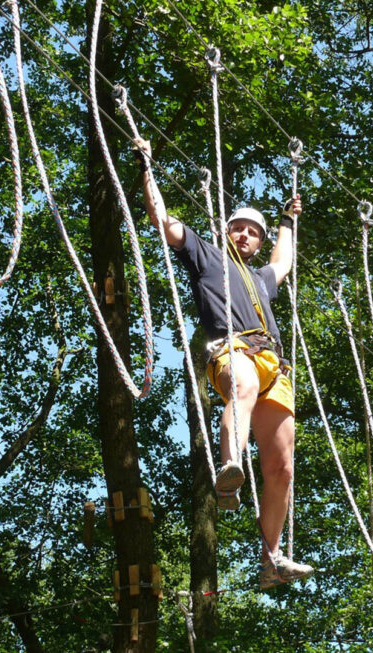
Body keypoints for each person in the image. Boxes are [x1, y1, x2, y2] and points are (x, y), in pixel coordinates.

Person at [134, 137, 313, 590]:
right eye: (239, 228)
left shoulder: (261, 279)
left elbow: (285, 261)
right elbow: (164, 221)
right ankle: (229, 466)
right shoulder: (207, 256)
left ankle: (271, 558)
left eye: (253, 232)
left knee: (282, 467)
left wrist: (287, 221)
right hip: (232, 351)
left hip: (274, 362)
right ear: (226, 232)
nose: (245, 236)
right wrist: (146, 170)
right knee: (243, 388)